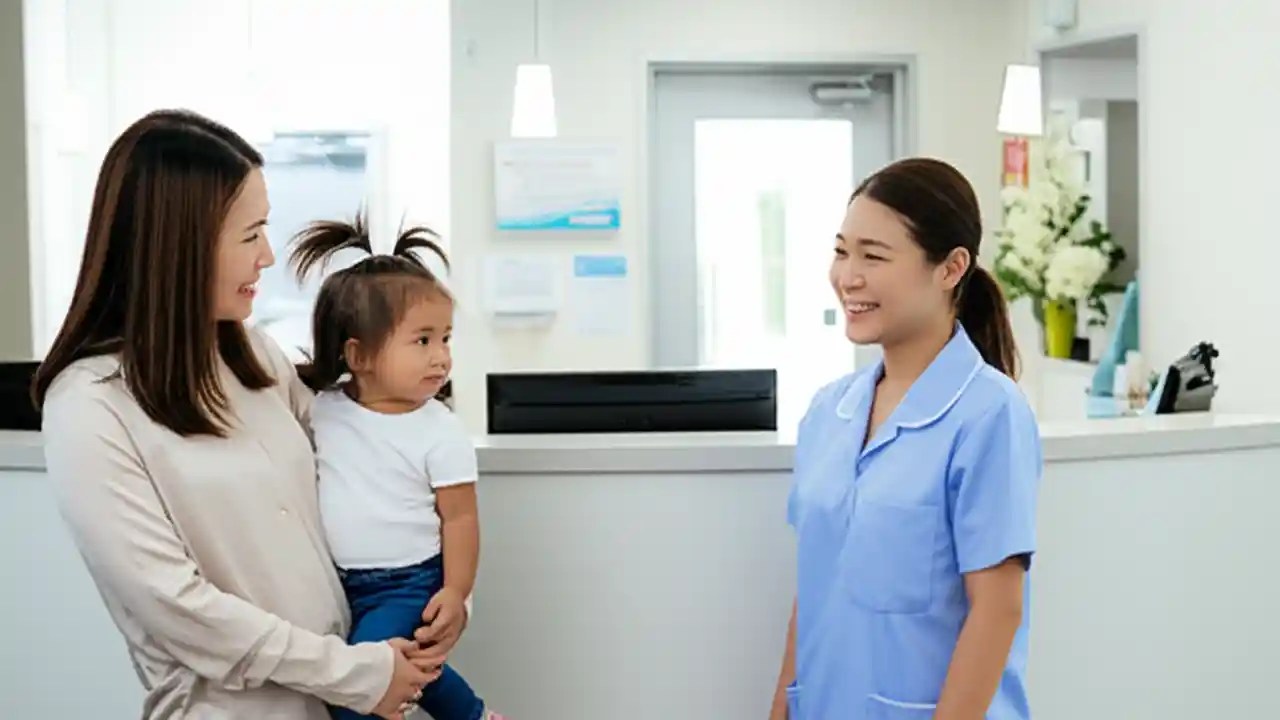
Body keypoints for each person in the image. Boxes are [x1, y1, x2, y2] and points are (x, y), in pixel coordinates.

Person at [33, 109, 442, 719]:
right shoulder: (90, 406)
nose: (269, 256)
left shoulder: (254, 356)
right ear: (180, 245)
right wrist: (356, 672)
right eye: (250, 235)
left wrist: (434, 595)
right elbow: (178, 608)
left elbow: (359, 467)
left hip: (343, 700)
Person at [769, 158, 1043, 720]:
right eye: (842, 251)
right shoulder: (828, 412)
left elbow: (997, 612)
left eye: (873, 255)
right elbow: (814, 594)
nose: (849, 276)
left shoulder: (989, 413)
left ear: (950, 268)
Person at [289, 213, 505, 720]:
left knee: (358, 689)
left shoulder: (439, 430)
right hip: (339, 583)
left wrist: (456, 591)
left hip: (408, 583)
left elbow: (461, 519)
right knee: (414, 668)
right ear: (358, 355)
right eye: (423, 340)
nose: (441, 357)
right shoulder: (322, 409)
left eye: (446, 338)